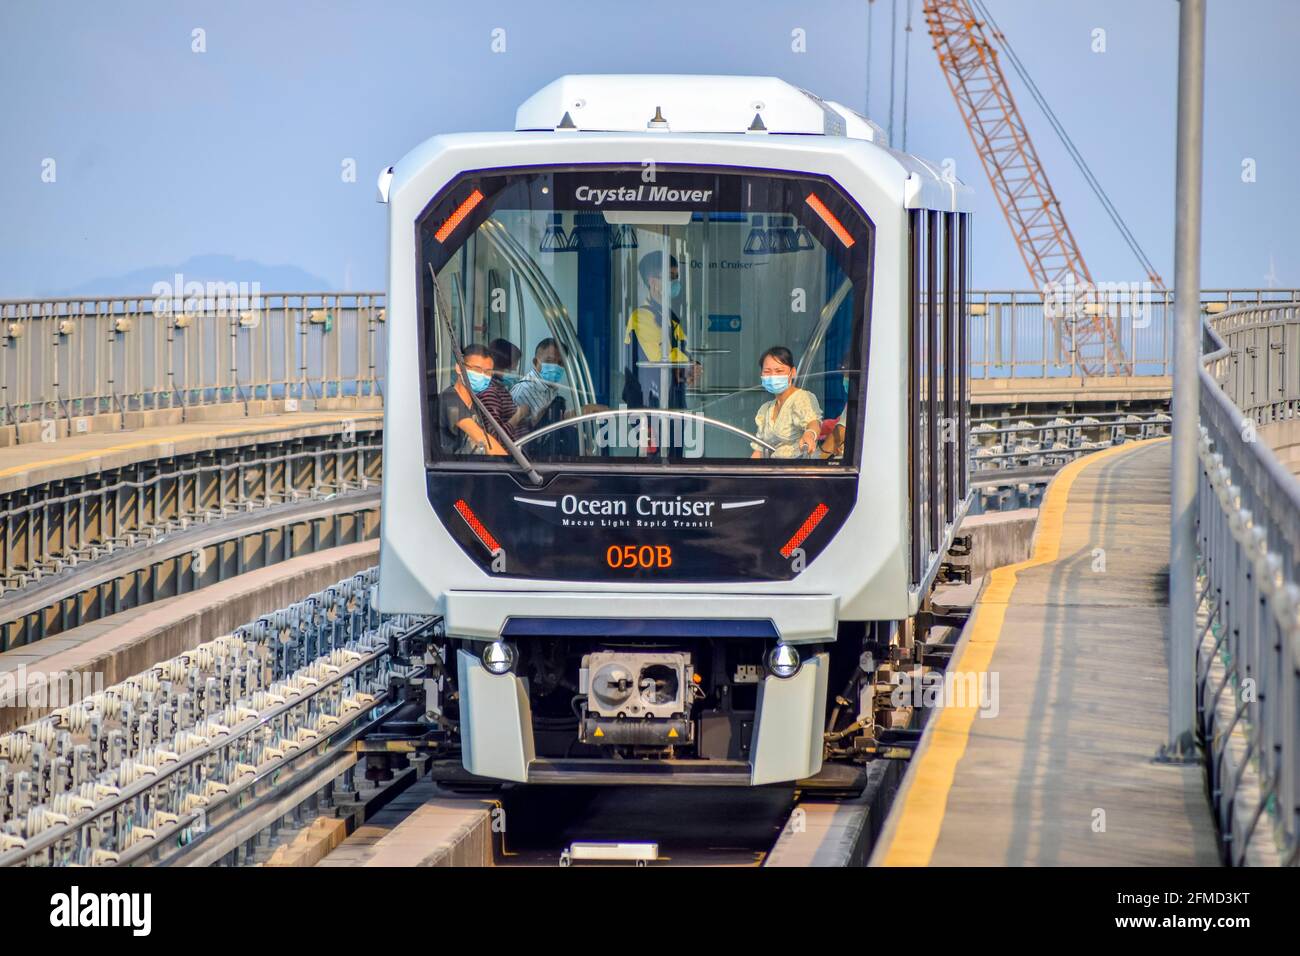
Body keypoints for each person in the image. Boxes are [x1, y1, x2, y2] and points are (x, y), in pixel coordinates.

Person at [621, 251, 700, 409]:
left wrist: (693, 365)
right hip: (647, 405)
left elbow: (683, 350)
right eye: (670, 276)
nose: (675, 282)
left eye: (676, 276)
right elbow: (660, 357)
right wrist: (689, 364)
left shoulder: (670, 316)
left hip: (671, 401)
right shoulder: (640, 317)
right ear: (653, 281)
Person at [750, 346, 823, 459]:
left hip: (799, 469)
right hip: (774, 471)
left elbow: (813, 423)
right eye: (767, 372)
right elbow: (759, 451)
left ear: (792, 372)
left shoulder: (801, 398)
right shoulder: (765, 409)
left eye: (779, 371)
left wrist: (809, 435)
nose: (773, 376)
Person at [510, 338, 578, 456]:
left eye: (561, 363)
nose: (555, 367)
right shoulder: (526, 390)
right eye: (549, 361)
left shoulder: (549, 388)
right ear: (536, 362)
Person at [438, 344, 507, 455]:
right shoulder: (450, 400)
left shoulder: (475, 404)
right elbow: (482, 439)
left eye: (488, 372)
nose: (482, 375)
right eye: (477, 369)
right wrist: (508, 463)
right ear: (459, 368)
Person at [479, 338, 522, 439]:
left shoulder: (500, 389)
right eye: (515, 362)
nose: (515, 369)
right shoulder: (490, 391)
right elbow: (495, 436)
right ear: (505, 362)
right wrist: (519, 414)